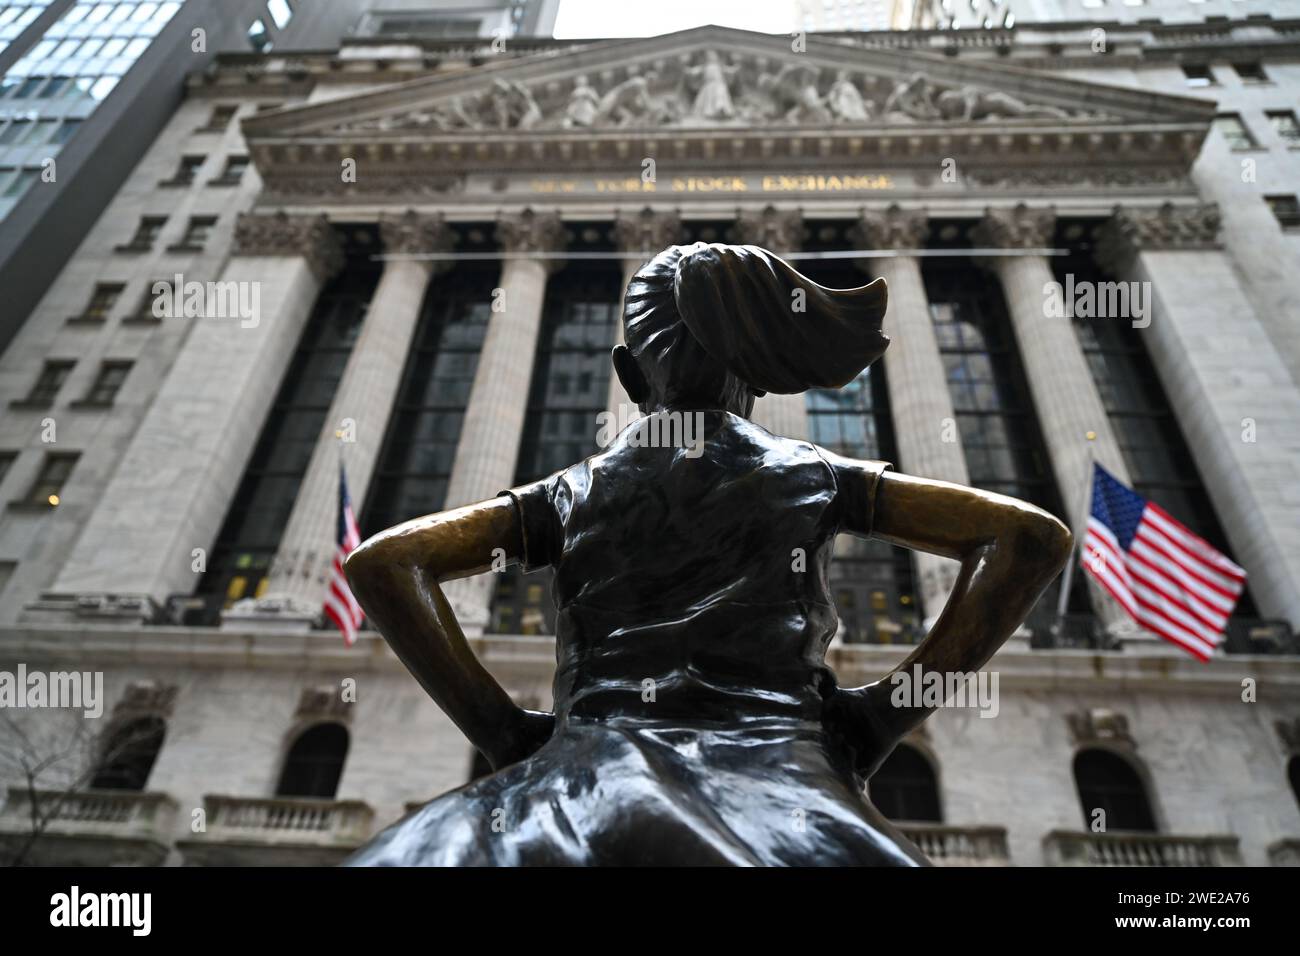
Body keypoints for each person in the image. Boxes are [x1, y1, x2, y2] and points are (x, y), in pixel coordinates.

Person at [342, 243, 1072, 866]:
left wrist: (501, 733)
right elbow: (1027, 537)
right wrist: (881, 716)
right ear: (756, 374)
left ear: (630, 378)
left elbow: (385, 563)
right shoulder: (814, 475)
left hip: (586, 770)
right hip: (782, 775)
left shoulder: (569, 492)